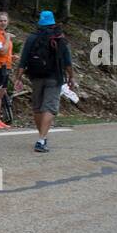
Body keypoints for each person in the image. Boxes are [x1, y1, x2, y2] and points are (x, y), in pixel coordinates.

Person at [17, 10, 74, 153]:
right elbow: (67, 61)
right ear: (53, 22)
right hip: (54, 77)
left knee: (37, 107)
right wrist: (71, 77)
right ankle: (41, 139)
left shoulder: (32, 38)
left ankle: (42, 137)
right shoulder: (60, 38)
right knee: (49, 107)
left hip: (35, 76)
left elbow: (23, 59)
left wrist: (18, 77)